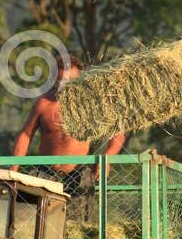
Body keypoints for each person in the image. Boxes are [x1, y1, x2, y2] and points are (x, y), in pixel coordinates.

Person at [11, 54, 124, 191]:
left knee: (79, 212)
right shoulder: (43, 104)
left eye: (70, 80)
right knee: (39, 211)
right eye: (61, 79)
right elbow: (25, 134)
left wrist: (107, 158)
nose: (65, 84)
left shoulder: (92, 105)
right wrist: (14, 169)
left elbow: (118, 134)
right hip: (45, 173)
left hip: (78, 174)